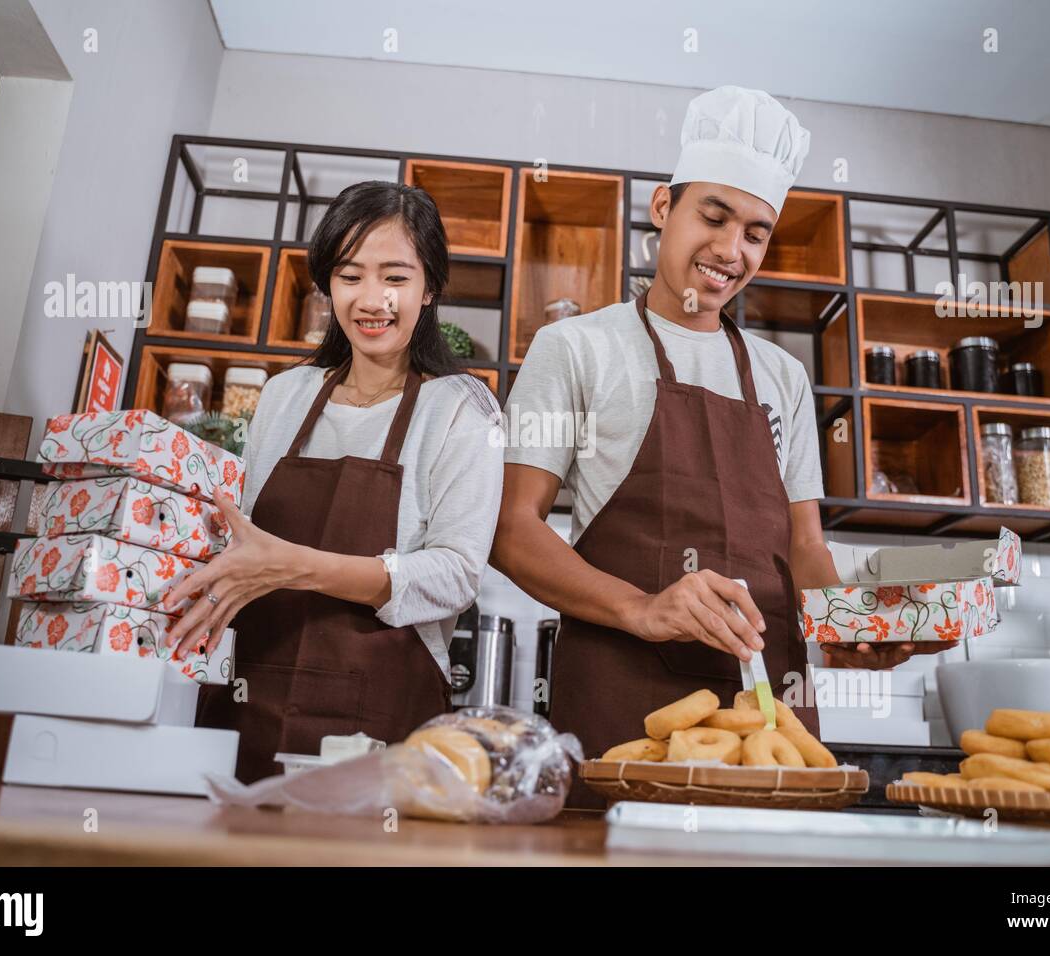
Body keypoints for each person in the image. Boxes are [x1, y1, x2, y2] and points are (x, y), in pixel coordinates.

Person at [492, 87, 953, 804]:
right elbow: (511, 529)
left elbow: (805, 549)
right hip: (624, 704)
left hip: (771, 710)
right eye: (714, 216)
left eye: (756, 232)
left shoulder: (783, 376)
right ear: (662, 209)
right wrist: (642, 608)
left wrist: (853, 628)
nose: (730, 250)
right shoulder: (575, 348)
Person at [169, 180, 504, 782]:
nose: (372, 299)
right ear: (328, 284)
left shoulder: (461, 408)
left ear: (430, 288)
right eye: (351, 276)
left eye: (396, 277)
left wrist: (295, 565)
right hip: (248, 691)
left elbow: (456, 575)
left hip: (379, 711)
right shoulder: (284, 395)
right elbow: (243, 544)